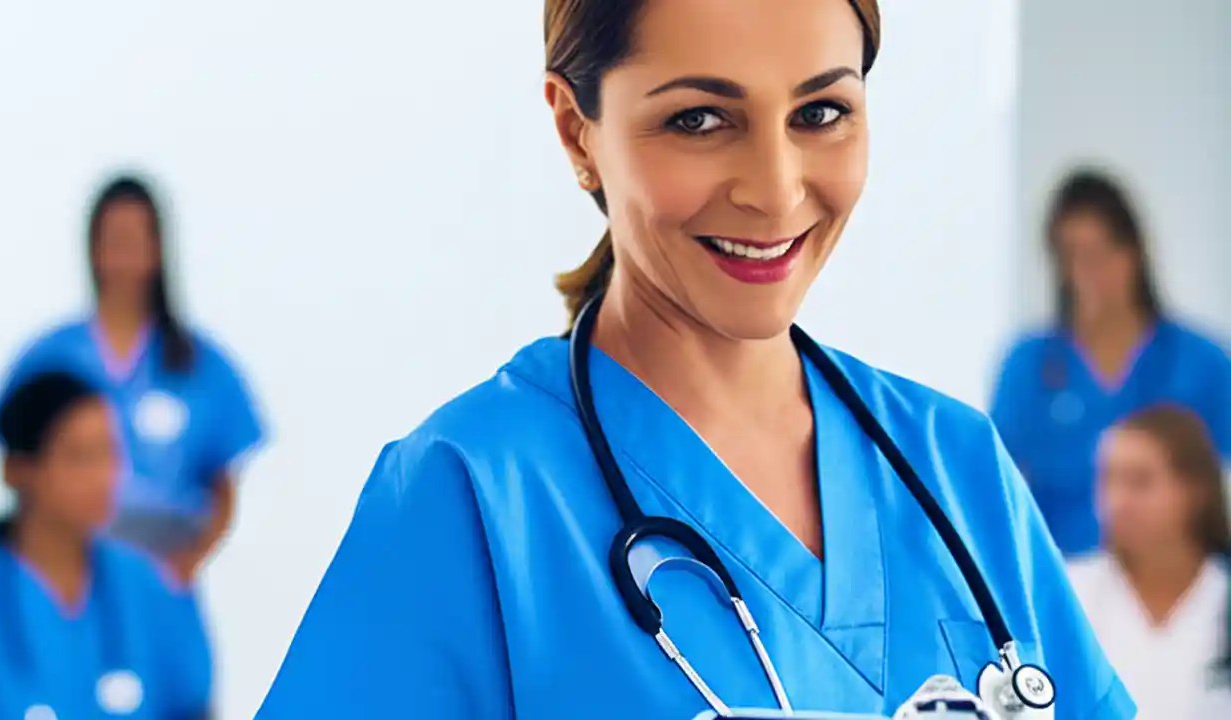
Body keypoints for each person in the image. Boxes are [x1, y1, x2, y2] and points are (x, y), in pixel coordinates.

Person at [259, 1, 1132, 718]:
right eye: (700, 119)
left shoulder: (956, 468)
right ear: (576, 131)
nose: (776, 187)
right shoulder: (474, 498)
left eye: (820, 112)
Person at [0, 174, 265, 584]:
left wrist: (184, 566)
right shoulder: (50, 358)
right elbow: (13, 463)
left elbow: (224, 484)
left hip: (160, 575)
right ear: (92, 247)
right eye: (114, 239)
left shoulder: (199, 364)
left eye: (136, 239)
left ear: (158, 248)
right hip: (65, 578)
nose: (124, 254)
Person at [991, 170, 1231, 557]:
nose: (1092, 271)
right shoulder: (1031, 365)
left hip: (1177, 586)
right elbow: (995, 487)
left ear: (1135, 252)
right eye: (1074, 255)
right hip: (1066, 583)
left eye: (1105, 251)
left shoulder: (1202, 362)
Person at [0, 372, 211, 719]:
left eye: (111, 453)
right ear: (18, 468)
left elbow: (192, 706)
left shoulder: (149, 590)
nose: (103, 477)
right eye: (80, 456)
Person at [1067, 406, 1231, 718]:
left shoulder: (1222, 596)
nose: (1118, 502)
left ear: (1196, 491)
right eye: (1108, 480)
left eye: (1139, 482)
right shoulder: (1070, 591)